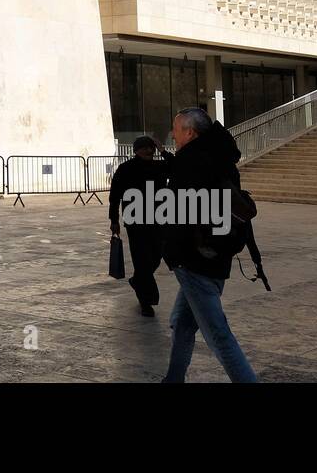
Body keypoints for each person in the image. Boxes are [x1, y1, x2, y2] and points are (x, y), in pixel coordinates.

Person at [159, 107, 258, 383]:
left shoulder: (191, 161)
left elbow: (179, 212)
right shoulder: (220, 157)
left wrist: (170, 248)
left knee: (217, 335)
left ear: (190, 132)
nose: (173, 135)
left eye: (176, 130)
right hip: (215, 254)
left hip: (195, 260)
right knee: (182, 323)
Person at [109, 135, 169, 316]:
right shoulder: (126, 169)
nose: (149, 150)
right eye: (144, 148)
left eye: (151, 147)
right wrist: (114, 220)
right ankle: (146, 302)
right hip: (135, 221)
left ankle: (137, 281)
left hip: (158, 219)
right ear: (136, 150)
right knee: (142, 260)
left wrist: (163, 151)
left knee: (156, 256)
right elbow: (115, 196)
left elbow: (178, 167)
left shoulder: (159, 166)